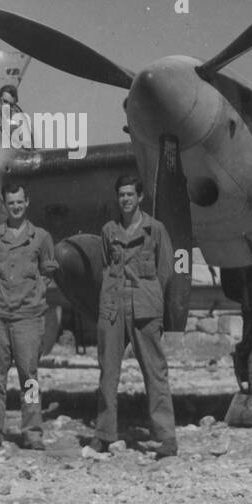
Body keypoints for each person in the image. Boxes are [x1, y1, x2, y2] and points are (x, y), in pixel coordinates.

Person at [92, 173, 178, 457]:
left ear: (140, 197)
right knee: (108, 372)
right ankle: (104, 434)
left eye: (130, 194)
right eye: (122, 195)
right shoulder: (109, 231)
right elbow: (106, 265)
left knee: (155, 372)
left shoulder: (156, 230)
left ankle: (166, 437)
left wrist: (152, 301)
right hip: (113, 308)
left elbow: (165, 270)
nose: (126, 199)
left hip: (145, 309)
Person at [0, 181, 58, 450]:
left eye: (20, 201)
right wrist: (1, 298)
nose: (16, 206)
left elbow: (48, 272)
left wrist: (33, 296)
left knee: (29, 376)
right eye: (11, 202)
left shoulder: (41, 237)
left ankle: (32, 432)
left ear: (27, 202)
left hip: (27, 317)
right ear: (5, 204)